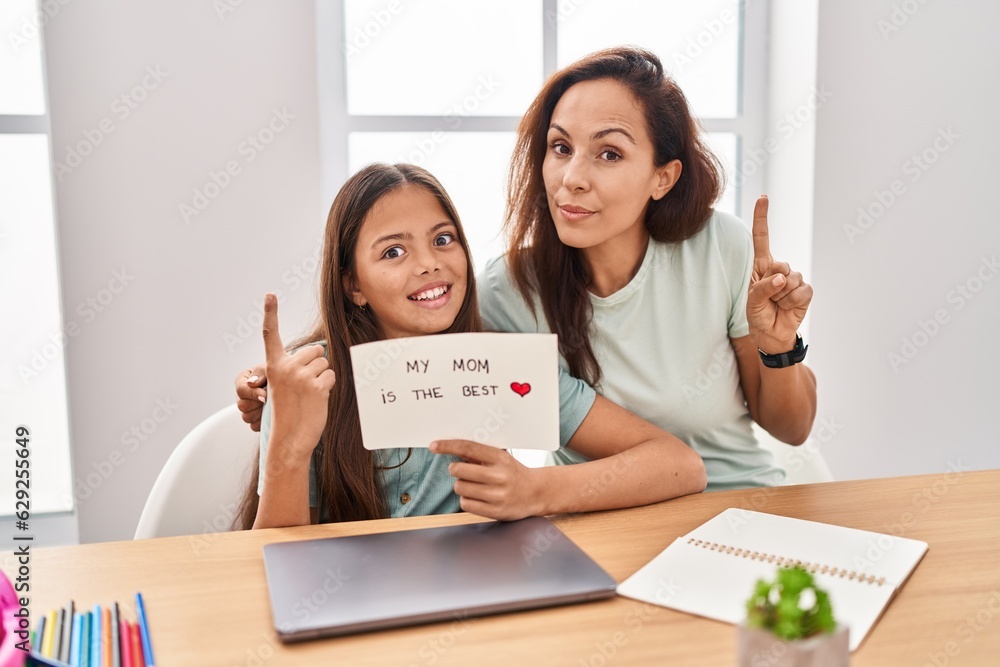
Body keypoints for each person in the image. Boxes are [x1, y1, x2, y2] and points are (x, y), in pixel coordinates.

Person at [237, 162, 705, 530]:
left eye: (443, 240)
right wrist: (290, 450)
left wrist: (536, 489)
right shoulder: (309, 385)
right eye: (393, 251)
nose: (429, 264)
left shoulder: (502, 366)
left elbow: (680, 467)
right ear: (353, 285)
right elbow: (277, 560)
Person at [478, 46, 817, 491]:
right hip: (596, 519)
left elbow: (792, 430)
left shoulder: (720, 247)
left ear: (664, 177)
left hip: (735, 505)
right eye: (561, 147)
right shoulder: (508, 293)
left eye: (609, 154)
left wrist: (778, 347)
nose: (571, 178)